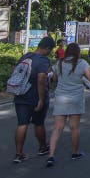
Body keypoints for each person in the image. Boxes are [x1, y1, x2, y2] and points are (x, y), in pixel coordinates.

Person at [46, 43, 90, 167]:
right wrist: (83, 77)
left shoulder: (59, 63)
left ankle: (51, 156)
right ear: (78, 52)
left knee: (57, 128)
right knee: (74, 127)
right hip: (76, 98)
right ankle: (75, 152)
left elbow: (54, 78)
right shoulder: (82, 63)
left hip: (60, 98)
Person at [12, 36, 55, 164]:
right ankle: (42, 147)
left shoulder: (25, 56)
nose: (50, 52)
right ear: (47, 48)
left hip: (21, 94)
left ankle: (18, 154)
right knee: (38, 123)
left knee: (22, 124)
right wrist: (41, 99)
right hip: (35, 96)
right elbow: (41, 79)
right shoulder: (43, 60)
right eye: (50, 50)